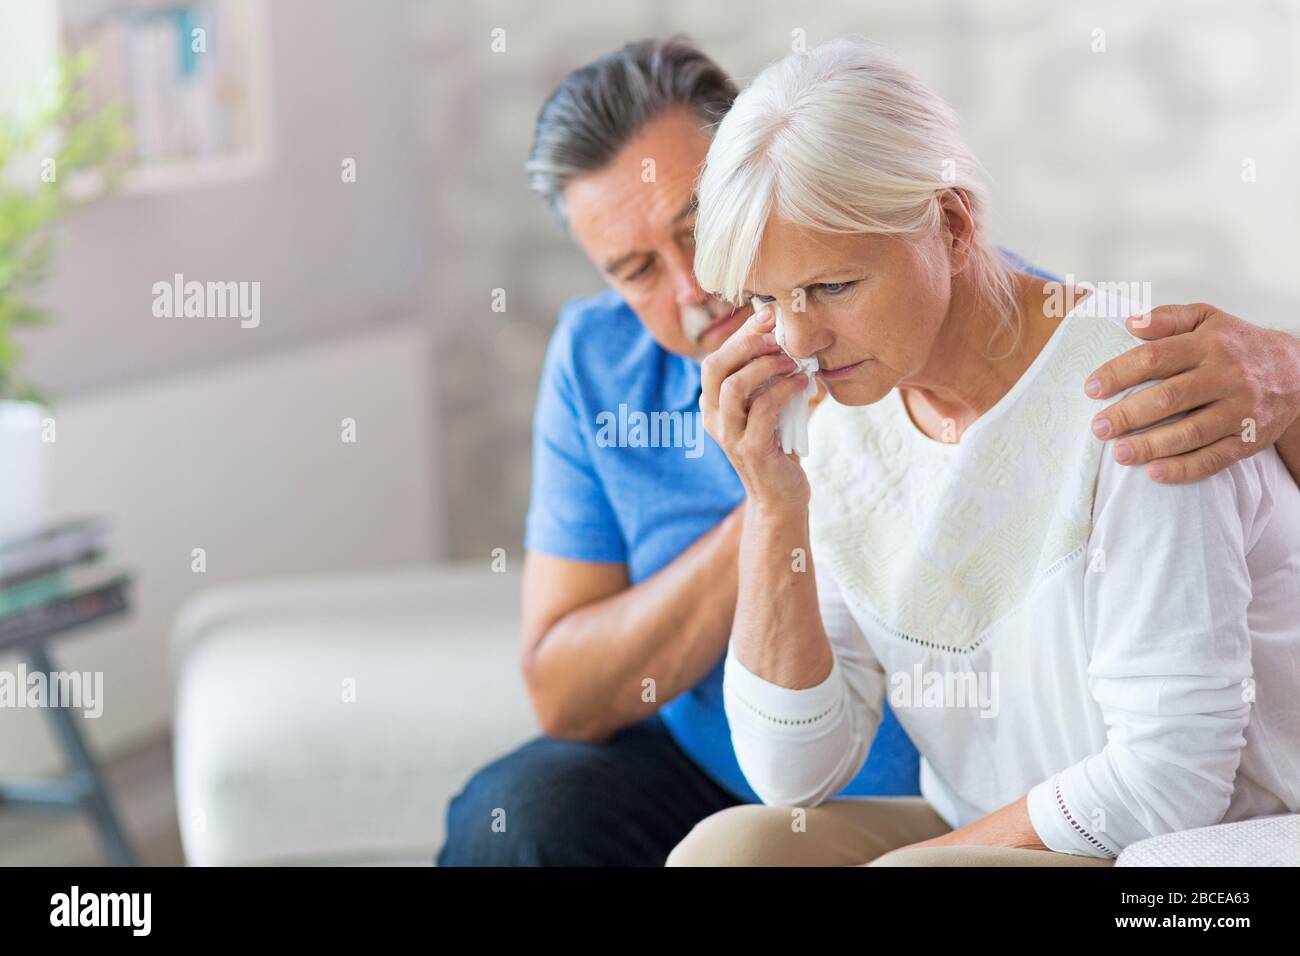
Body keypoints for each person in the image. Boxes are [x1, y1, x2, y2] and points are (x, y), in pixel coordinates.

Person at [437, 37, 1300, 867]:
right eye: (770, 297)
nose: (797, 335)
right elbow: (790, 776)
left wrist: (921, 858)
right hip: (978, 811)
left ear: (954, 227)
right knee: (722, 852)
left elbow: (1172, 775)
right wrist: (777, 507)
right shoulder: (848, 400)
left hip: (1176, 845)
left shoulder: (1137, 390)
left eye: (832, 286)